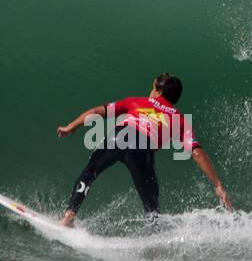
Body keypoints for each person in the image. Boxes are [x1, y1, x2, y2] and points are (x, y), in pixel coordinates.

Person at [56, 73, 232, 227]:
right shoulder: (179, 119)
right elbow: (196, 152)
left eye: (153, 88)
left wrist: (72, 126)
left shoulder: (136, 101)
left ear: (159, 92)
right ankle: (156, 245)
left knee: (89, 173)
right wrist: (218, 184)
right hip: (141, 148)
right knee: (152, 206)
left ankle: (69, 216)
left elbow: (98, 111)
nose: (151, 91)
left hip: (118, 135)